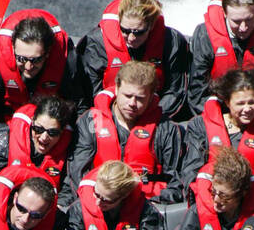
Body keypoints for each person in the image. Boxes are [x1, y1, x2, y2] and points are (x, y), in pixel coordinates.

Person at [68, 61, 185, 203]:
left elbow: (175, 181)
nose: (132, 103)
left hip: (148, 204)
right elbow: (78, 174)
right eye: (127, 96)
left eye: (140, 98)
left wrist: (152, 204)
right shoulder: (90, 122)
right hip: (101, 203)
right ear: (117, 89)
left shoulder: (166, 129)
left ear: (151, 97)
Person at [77, 0, 191, 118]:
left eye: (139, 32)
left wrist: (151, 117)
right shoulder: (96, 44)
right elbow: (91, 94)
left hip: (155, 114)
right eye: (125, 31)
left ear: (151, 26)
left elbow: (175, 91)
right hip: (112, 116)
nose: (131, 38)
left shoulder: (172, 41)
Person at [0, 10, 80, 127]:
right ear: (12, 48)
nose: (28, 67)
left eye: (36, 60)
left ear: (48, 53)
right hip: (5, 122)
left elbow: (75, 101)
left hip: (49, 126)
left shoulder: (68, 61)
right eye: (22, 59)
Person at [179, 65, 254, 193]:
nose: (247, 109)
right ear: (227, 102)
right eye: (240, 103)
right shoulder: (200, 126)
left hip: (252, 199)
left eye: (252, 102)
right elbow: (191, 172)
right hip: (213, 197)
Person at [0, 96, 77, 205]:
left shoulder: (69, 153)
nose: (44, 137)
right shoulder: (0, 143)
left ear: (62, 132)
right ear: (32, 122)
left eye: (52, 132)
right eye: (38, 129)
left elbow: (68, 189)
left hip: (40, 212)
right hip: (0, 202)